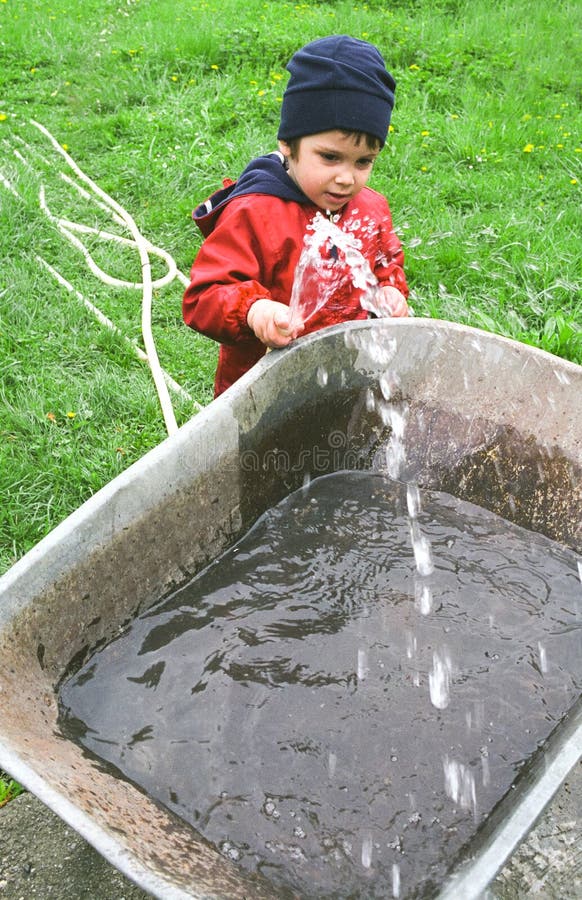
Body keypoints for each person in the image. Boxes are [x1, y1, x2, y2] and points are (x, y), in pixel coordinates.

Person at [183, 35, 409, 397]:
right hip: (265, 391)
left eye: (363, 162)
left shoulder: (370, 209)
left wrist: (391, 290)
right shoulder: (255, 213)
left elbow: (386, 264)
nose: (346, 178)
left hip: (351, 371)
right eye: (330, 157)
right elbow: (205, 296)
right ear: (288, 144)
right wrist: (255, 311)